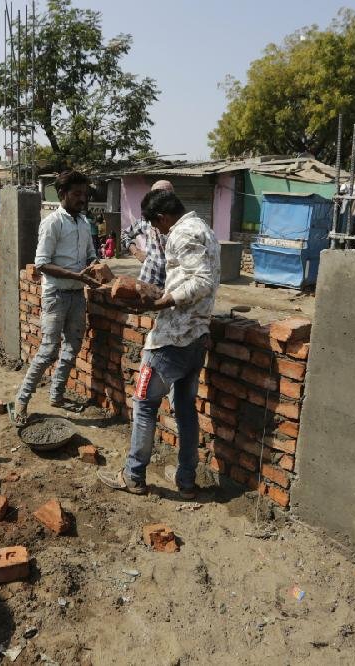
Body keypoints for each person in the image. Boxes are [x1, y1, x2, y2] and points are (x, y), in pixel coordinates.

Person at [99, 190, 221, 499]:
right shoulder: (205, 230)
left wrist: (166, 298)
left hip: (172, 341)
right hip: (196, 338)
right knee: (185, 410)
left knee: (144, 406)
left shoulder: (181, 234)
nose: (159, 232)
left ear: (162, 218)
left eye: (157, 226)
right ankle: (186, 480)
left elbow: (202, 280)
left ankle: (133, 475)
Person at [11, 170, 102, 426]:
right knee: (49, 350)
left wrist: (95, 266)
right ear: (62, 194)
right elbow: (41, 264)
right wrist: (79, 275)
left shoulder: (84, 223)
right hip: (56, 294)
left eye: (85, 194)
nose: (82, 199)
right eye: (76, 194)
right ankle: (21, 400)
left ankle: (57, 395)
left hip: (77, 294)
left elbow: (90, 255)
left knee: (72, 346)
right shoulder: (53, 222)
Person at [120, 180, 173, 288]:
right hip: (148, 279)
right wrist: (136, 252)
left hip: (171, 283)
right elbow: (125, 234)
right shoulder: (147, 221)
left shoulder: (180, 223)